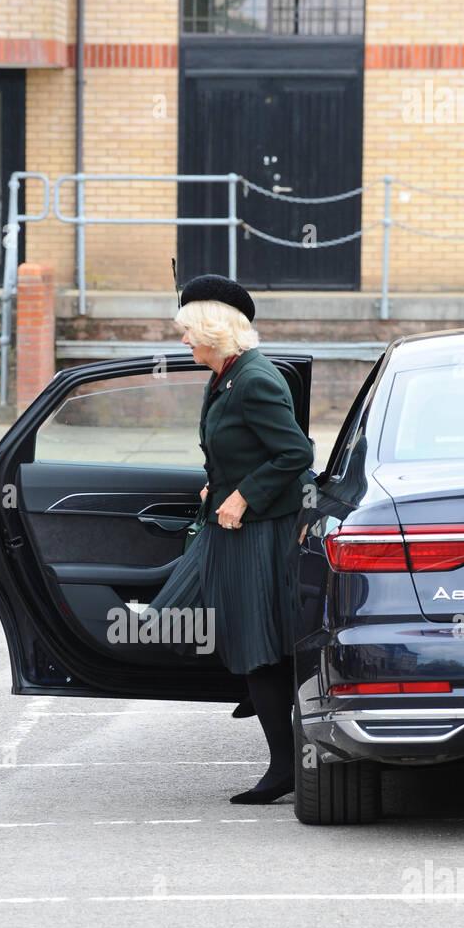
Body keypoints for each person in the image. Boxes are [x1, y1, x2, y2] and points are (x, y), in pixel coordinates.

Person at [150, 274, 314, 805]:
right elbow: (241, 444)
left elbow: (294, 453)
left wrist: (243, 495)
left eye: (188, 332)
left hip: (260, 531)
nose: (183, 341)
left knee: (256, 645)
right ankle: (262, 714)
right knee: (180, 620)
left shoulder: (255, 379)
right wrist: (218, 481)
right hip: (231, 526)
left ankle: (285, 765)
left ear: (215, 332)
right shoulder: (226, 374)